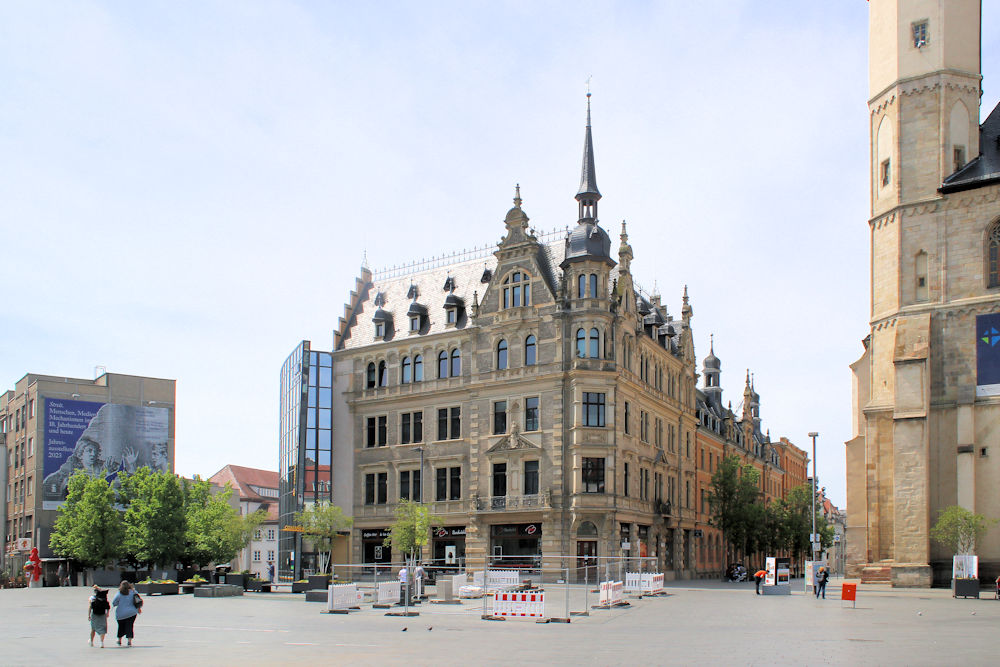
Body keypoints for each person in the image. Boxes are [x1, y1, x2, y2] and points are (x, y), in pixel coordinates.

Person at [112, 580, 141, 647]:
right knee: (130, 626)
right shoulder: (134, 592)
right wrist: (139, 609)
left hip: (121, 614)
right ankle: (129, 641)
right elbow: (138, 600)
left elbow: (114, 603)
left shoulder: (119, 593)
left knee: (121, 626)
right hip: (132, 612)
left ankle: (119, 639)